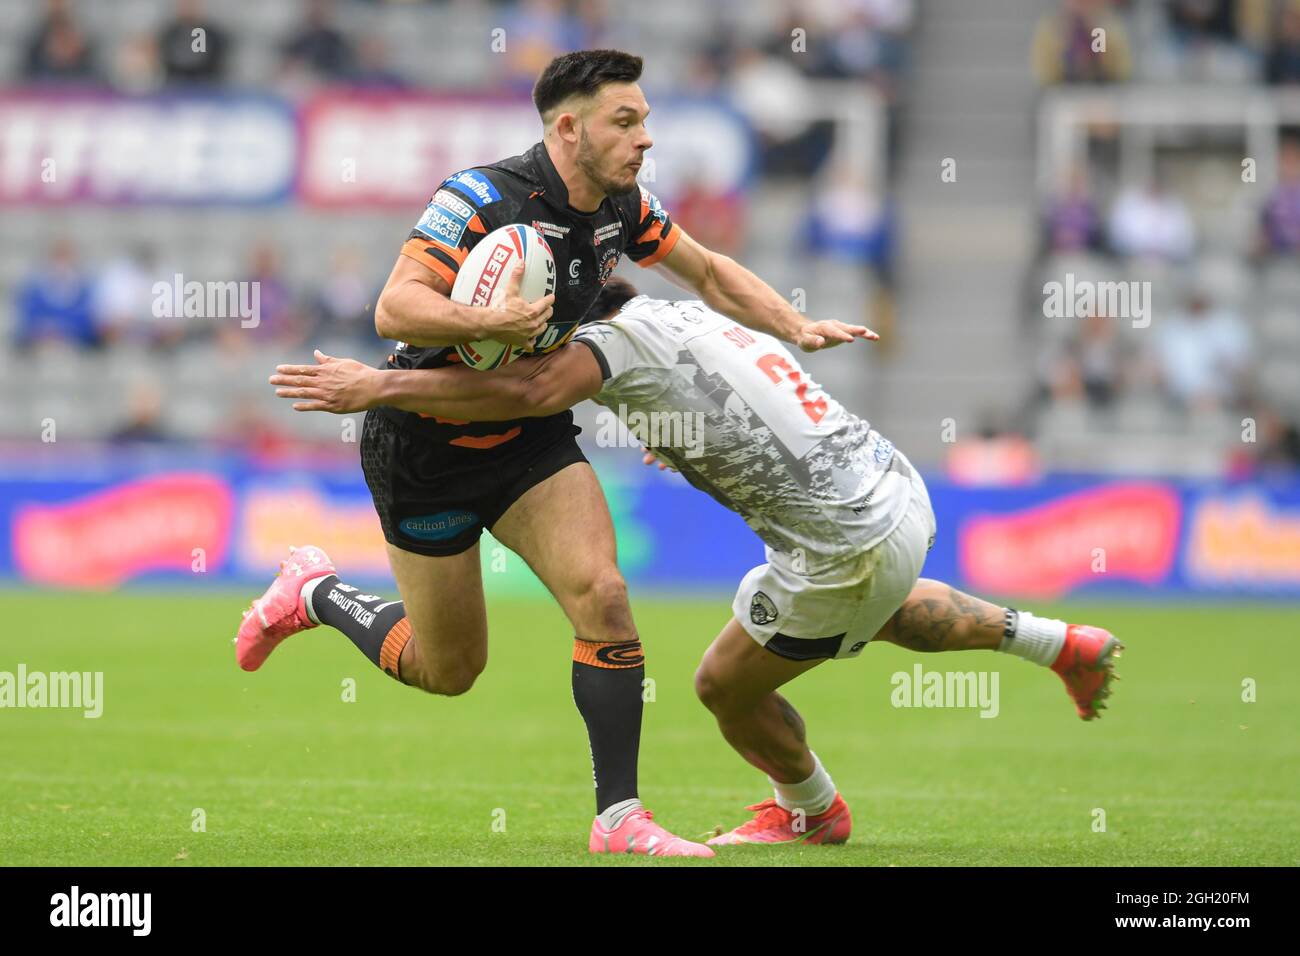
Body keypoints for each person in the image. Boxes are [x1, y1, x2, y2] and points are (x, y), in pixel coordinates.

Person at [237, 49, 870, 858]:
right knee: (449, 668)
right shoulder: (481, 196)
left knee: (603, 594)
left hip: (528, 437)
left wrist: (794, 325)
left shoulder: (623, 208)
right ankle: (317, 591)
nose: (646, 139)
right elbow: (396, 306)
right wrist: (485, 325)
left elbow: (707, 273)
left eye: (645, 120)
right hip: (422, 444)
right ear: (569, 129)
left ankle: (619, 818)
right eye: (626, 121)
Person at [269, 278, 1124, 848]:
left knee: (723, 687)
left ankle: (811, 811)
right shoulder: (681, 315)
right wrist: (683, 437)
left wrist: (378, 385)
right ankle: (1058, 642)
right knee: (890, 608)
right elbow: (724, 382)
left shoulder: (608, 344)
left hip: (840, 551)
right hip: (894, 493)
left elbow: (526, 392)